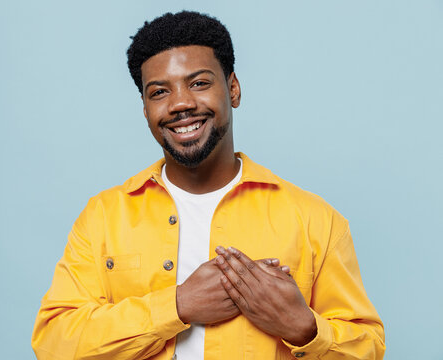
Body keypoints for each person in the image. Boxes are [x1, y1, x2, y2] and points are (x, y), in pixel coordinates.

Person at [31, 11, 385, 360]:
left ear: (233, 89)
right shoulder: (103, 218)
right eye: (159, 92)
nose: (181, 104)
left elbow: (367, 349)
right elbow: (53, 344)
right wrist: (178, 305)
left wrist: (303, 328)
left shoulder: (315, 221)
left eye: (199, 83)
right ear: (144, 109)